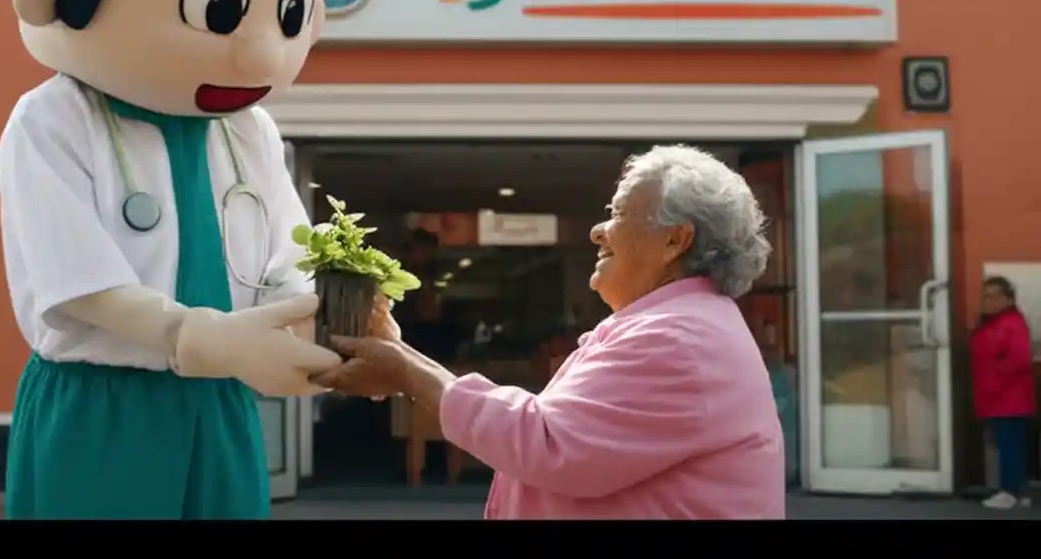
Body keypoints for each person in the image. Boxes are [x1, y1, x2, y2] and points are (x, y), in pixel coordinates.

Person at [0, 0, 363, 520]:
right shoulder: (55, 118)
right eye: (221, 6)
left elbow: (287, 258)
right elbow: (77, 279)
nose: (258, 50)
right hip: (102, 406)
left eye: (291, 11)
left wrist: (327, 321)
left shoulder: (247, 130)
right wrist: (197, 336)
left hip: (219, 403)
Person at [315, 145, 787, 519]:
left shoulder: (680, 340)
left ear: (675, 240)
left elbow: (547, 442)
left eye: (619, 213)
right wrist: (400, 358)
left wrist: (404, 370)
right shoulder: (682, 326)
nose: (598, 230)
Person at [971, 275, 1036, 509]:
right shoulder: (991, 322)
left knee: (1010, 445)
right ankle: (1018, 491)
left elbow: (1018, 360)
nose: (988, 301)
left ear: (1008, 299)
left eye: (994, 296)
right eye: (985, 296)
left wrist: (994, 385)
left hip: (1008, 398)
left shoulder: (1011, 323)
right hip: (997, 397)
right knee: (1007, 444)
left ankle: (1010, 492)